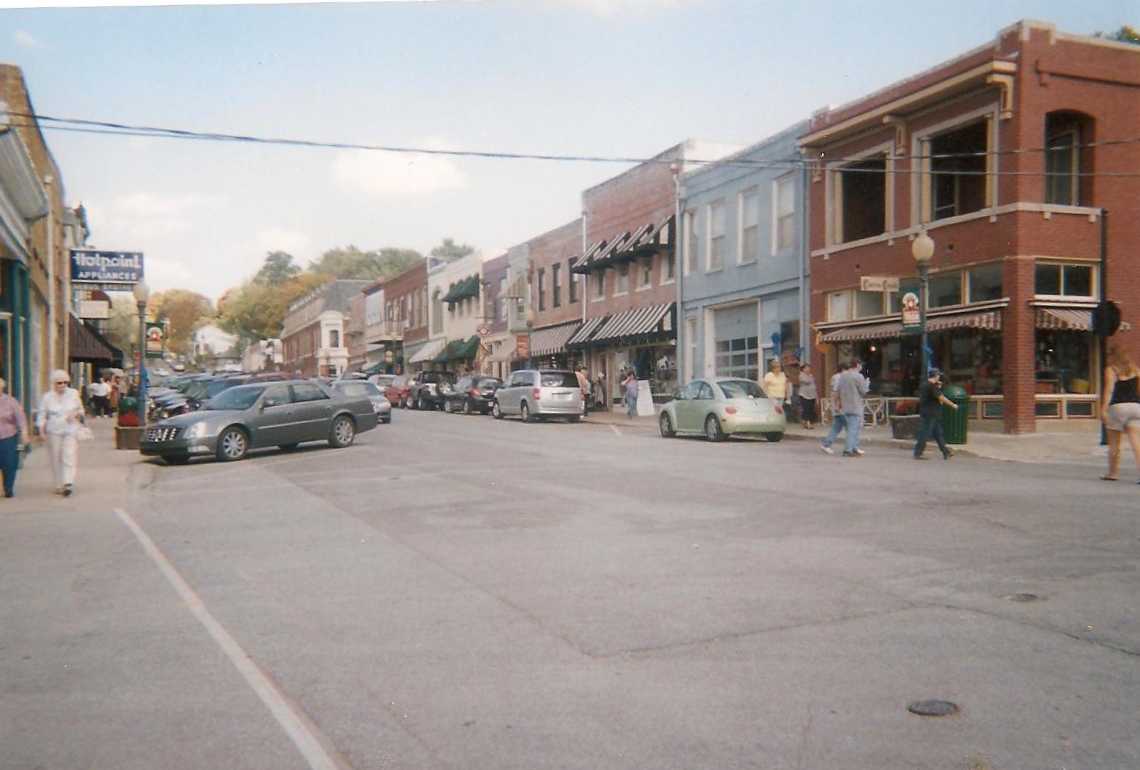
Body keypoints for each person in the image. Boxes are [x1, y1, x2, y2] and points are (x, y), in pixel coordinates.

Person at [36, 369, 85, 497]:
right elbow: (42, 414)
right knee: (55, 456)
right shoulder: (47, 397)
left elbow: (81, 410)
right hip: (53, 429)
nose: (62, 385)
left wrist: (74, 414)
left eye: (65, 382)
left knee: (69, 455)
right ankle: (58, 484)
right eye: (59, 383)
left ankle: (68, 482)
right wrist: (41, 430)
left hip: (70, 429)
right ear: (54, 383)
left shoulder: (73, 394)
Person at [1100, 345, 1140, 483]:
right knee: (1136, 442)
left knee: (1114, 443)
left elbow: (1109, 390)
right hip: (1135, 407)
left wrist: (1103, 409)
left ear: (1112, 355)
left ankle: (1113, 473)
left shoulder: (1111, 370)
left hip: (1118, 407)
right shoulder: (1135, 370)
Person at [913, 368, 958, 460]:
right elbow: (941, 397)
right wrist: (953, 405)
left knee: (938, 434)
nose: (939, 377)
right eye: (938, 376)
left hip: (930, 412)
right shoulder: (931, 386)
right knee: (925, 433)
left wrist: (938, 387)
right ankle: (918, 453)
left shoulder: (925, 385)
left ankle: (946, 452)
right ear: (936, 375)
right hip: (931, 413)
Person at [0, 377, 29, 498]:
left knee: (8, 464)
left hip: (8, 436)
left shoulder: (11, 401)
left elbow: (20, 418)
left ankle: (8, 488)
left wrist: (24, 433)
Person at [836, 359, 870, 457]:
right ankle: (848, 449)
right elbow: (864, 391)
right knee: (853, 429)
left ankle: (854, 447)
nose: (861, 367)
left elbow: (838, 390)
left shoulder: (843, 376)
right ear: (857, 365)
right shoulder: (858, 376)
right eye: (860, 365)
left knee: (853, 428)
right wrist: (867, 384)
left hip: (845, 405)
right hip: (855, 405)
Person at [820, 362, 849, 454]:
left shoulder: (834, 377)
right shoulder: (839, 378)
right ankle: (852, 446)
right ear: (844, 369)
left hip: (837, 405)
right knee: (851, 426)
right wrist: (838, 405)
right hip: (840, 406)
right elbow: (837, 392)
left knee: (837, 426)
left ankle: (826, 443)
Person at [798, 363, 818, 430]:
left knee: (811, 409)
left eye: (809, 368)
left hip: (812, 395)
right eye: (806, 368)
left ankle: (806, 422)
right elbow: (807, 381)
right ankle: (808, 424)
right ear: (803, 369)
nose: (808, 369)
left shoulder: (811, 375)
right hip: (804, 395)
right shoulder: (801, 375)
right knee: (806, 409)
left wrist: (816, 396)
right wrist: (810, 377)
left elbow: (814, 386)